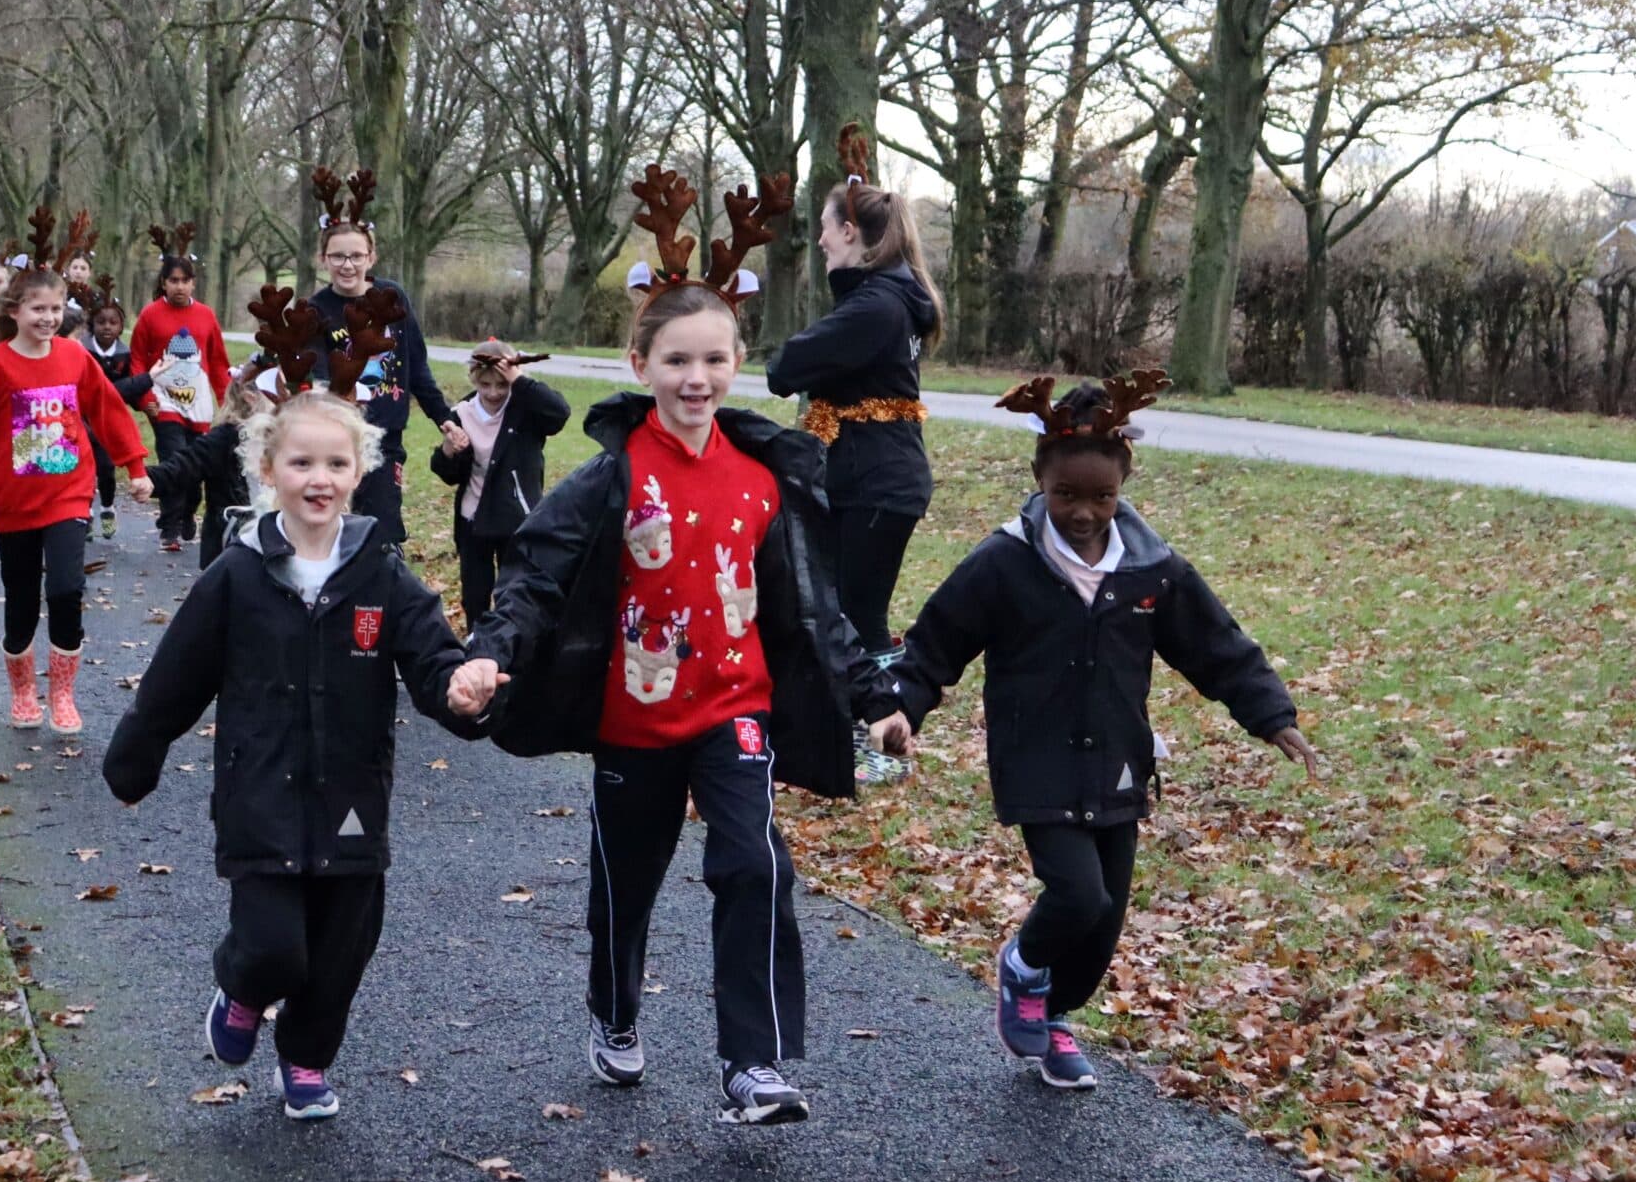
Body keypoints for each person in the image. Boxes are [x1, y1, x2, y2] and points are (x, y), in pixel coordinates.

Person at [450, 169, 896, 1128]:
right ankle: (614, 1009)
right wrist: (491, 651)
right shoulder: (613, 475)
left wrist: (874, 695)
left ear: (738, 362)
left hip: (736, 709)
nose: (697, 378)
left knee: (755, 865)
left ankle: (754, 1064)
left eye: (715, 359)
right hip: (635, 720)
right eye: (677, 359)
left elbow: (814, 608)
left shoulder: (765, 478)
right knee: (627, 883)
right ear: (640, 362)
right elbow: (534, 575)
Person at [872, 374, 1319, 1090]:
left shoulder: (1151, 570)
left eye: (1101, 498)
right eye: (1066, 496)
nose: (1083, 513)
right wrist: (902, 706)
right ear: (1039, 480)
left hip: (1118, 759)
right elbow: (935, 643)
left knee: (1103, 924)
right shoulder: (1005, 562)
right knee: (1078, 895)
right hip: (1036, 756)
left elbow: (1216, 646)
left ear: (1124, 486)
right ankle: (1022, 967)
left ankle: (1053, 1016)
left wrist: (1273, 715)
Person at [105, 387, 488, 1122]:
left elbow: (432, 658)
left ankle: (306, 1056)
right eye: (302, 462)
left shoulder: (380, 573)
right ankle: (242, 987)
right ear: (267, 469)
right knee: (275, 944)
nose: (320, 478)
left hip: (352, 797)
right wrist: (135, 757)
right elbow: (177, 675)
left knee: (342, 946)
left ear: (359, 472)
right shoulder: (238, 572)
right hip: (259, 795)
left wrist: (462, 692)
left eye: (336, 464)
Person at [764, 143, 944, 782]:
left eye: (823, 227)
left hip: (876, 483)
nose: (817, 240)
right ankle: (852, 734)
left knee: (855, 613)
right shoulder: (885, 298)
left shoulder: (876, 306)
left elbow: (785, 368)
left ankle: (882, 742)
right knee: (848, 608)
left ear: (849, 231)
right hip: (871, 477)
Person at [0, 269, 153, 734]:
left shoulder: (74, 357)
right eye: (38, 309)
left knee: (67, 590)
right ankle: (21, 691)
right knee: (21, 600)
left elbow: (108, 410)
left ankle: (62, 694)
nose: (48, 318)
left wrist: (135, 466)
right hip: (13, 502)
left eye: (56, 309)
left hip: (68, 494)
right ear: (15, 311)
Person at [304, 178, 456, 546]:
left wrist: (444, 418)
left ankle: (382, 576)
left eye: (356, 256)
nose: (347, 265)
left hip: (386, 436)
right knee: (332, 533)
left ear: (371, 257)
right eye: (338, 256)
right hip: (337, 438)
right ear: (323, 259)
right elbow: (320, 379)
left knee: (382, 529)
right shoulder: (316, 310)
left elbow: (417, 366)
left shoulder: (392, 297)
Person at [427, 343, 569, 626]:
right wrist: (449, 450)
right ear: (473, 379)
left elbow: (559, 413)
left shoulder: (527, 409)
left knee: (514, 594)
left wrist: (519, 380)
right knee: (475, 596)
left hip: (516, 517)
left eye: (502, 385)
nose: (493, 393)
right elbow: (449, 474)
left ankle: (511, 643)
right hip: (473, 520)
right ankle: (476, 640)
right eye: (485, 385)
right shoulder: (461, 414)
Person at [128, 252, 230, 553]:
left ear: (193, 283)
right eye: (173, 280)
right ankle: (169, 526)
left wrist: (228, 401)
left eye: (185, 281)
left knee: (196, 464)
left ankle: (188, 511)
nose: (179, 287)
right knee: (173, 458)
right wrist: (145, 397)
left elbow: (218, 361)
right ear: (164, 283)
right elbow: (137, 359)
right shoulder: (150, 315)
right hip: (164, 400)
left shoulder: (206, 316)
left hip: (198, 401)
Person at [147, 378, 270, 570]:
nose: (286, 397)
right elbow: (185, 466)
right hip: (229, 547)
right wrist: (144, 478)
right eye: (276, 392)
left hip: (275, 545)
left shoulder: (288, 437)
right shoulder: (225, 439)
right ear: (250, 398)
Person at [84, 298, 133, 537]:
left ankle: (107, 508)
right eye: (101, 322)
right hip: (83, 420)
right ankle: (84, 515)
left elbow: (130, 386)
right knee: (83, 470)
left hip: (108, 422)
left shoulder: (125, 355)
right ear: (92, 324)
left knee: (105, 469)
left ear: (121, 327)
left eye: (113, 323)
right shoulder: (82, 350)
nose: (106, 327)